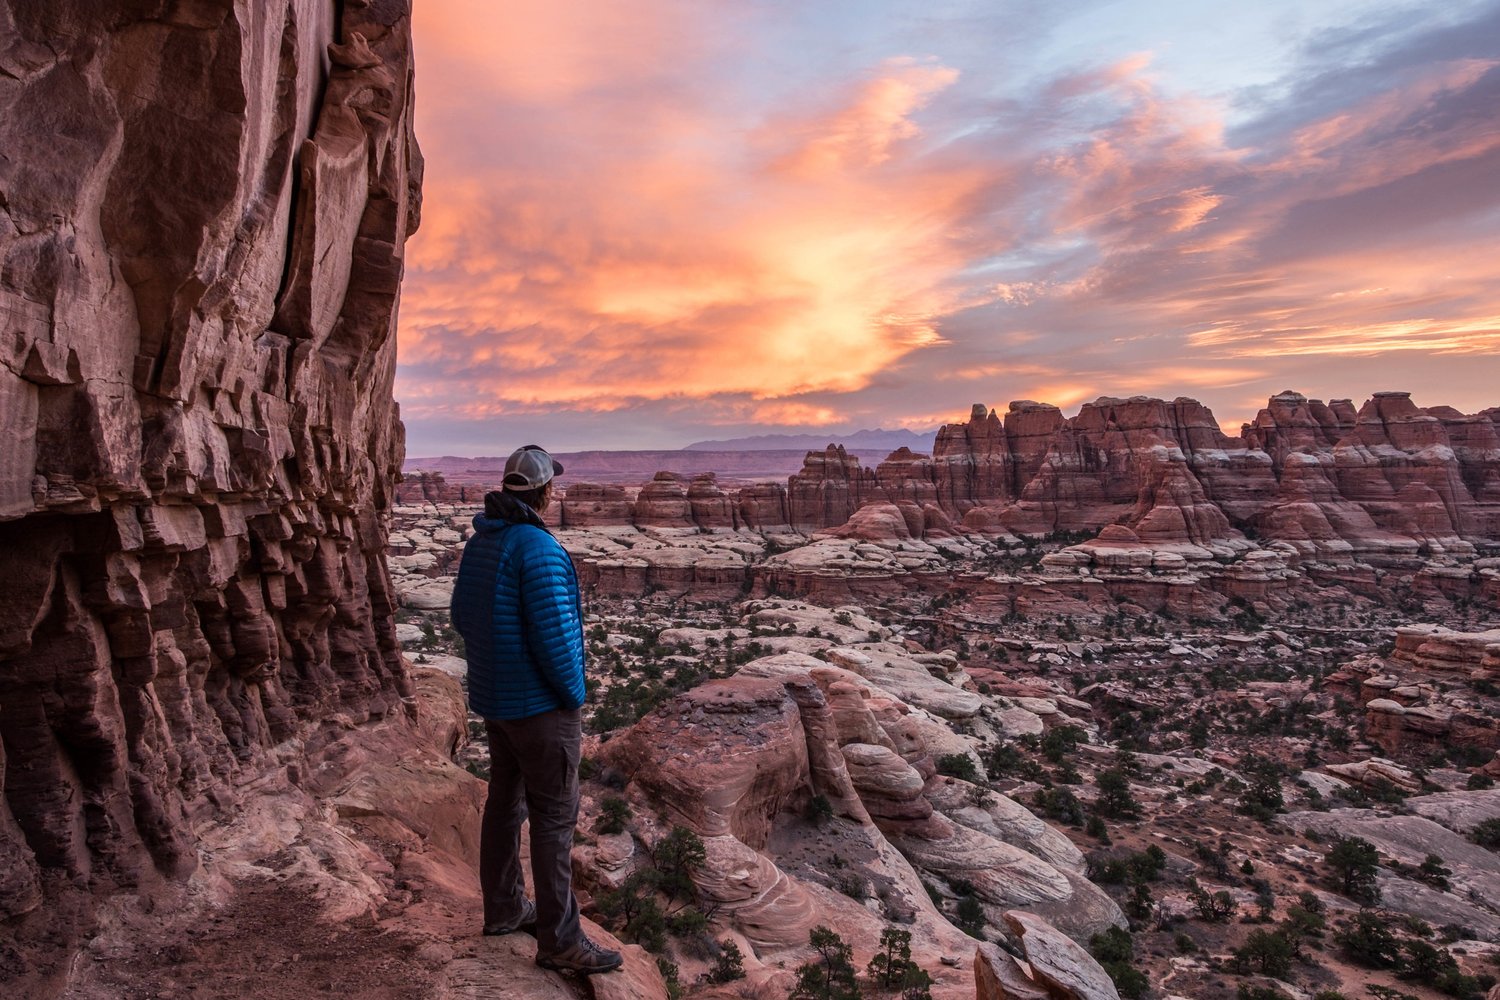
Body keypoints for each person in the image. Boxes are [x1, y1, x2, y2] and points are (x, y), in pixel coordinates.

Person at [449, 444, 623, 976]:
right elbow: (556, 637)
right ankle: (561, 940)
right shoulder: (539, 547)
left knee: (504, 804)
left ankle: (504, 909)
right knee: (554, 817)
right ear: (546, 493)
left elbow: (460, 615)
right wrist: (574, 694)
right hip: (541, 707)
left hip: (497, 701)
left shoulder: (484, 540)